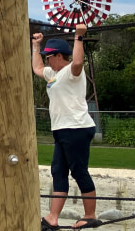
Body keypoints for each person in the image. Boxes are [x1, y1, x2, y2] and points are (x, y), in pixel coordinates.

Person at [32, 24, 98, 230]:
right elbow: (37, 69)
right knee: (58, 171)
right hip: (62, 129)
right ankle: (53, 217)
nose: (47, 59)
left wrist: (78, 37)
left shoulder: (71, 71)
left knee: (79, 171)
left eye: (49, 56)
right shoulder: (53, 73)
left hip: (76, 127)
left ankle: (90, 215)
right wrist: (36, 46)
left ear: (59, 56)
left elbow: (78, 61)